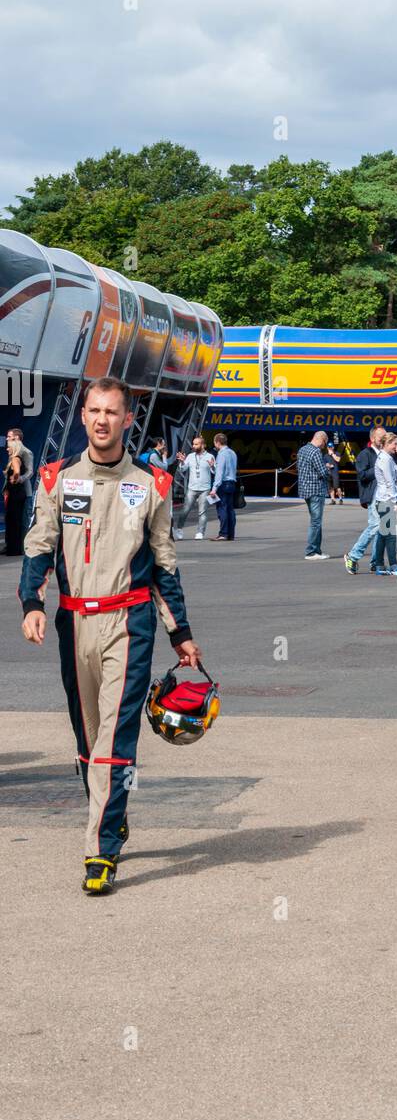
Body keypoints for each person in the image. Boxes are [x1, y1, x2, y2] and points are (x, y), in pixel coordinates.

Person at [19, 375, 202, 895]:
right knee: (86, 739)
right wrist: (33, 602)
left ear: (127, 419)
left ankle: (100, 850)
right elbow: (38, 546)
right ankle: (110, 815)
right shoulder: (56, 479)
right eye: (94, 410)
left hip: (130, 621)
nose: (102, 420)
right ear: (83, 416)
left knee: (116, 741)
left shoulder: (152, 485)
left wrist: (180, 633)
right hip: (73, 623)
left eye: (112, 412)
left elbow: (165, 566)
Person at [344, 426, 387, 574]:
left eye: (385, 436)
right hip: (373, 495)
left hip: (385, 496)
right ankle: (353, 555)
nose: (383, 439)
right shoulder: (365, 454)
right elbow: (361, 475)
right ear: (372, 438)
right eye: (381, 436)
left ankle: (375, 562)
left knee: (382, 529)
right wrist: (378, 467)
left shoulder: (387, 454)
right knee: (375, 525)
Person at [371, 433, 397, 577]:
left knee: (383, 533)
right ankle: (393, 565)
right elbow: (390, 481)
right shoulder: (384, 459)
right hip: (386, 499)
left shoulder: (388, 458)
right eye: (394, 444)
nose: (396, 447)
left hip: (383, 499)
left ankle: (379, 565)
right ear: (387, 443)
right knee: (390, 535)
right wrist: (394, 501)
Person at [296, 431, 330, 560]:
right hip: (316, 490)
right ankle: (311, 551)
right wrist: (327, 468)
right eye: (325, 443)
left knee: (315, 521)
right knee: (316, 522)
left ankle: (317, 550)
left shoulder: (302, 450)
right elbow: (322, 472)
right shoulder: (316, 452)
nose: (324, 446)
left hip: (305, 490)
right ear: (321, 440)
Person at [174, 436, 216, 539]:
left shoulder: (210, 456)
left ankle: (200, 532)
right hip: (192, 488)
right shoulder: (190, 456)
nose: (193, 446)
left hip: (205, 488)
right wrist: (182, 462)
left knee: (202, 512)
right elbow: (183, 469)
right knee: (185, 510)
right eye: (193, 444)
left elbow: (214, 472)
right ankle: (179, 529)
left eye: (196, 444)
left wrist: (212, 466)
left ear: (203, 445)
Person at [3, 433, 28, 556]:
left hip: (16, 493)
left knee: (13, 521)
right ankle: (14, 548)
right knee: (14, 521)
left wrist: (14, 478)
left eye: (9, 447)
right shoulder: (17, 458)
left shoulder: (15, 458)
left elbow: (17, 472)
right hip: (16, 493)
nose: (7, 449)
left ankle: (14, 549)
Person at [6, 427, 34, 530]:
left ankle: (23, 546)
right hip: (14, 494)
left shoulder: (26, 452)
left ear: (16, 438)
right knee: (13, 522)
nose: (6, 439)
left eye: (9, 436)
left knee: (23, 525)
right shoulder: (13, 453)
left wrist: (20, 479)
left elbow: (30, 472)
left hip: (25, 494)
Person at [212, 433, 238, 542]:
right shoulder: (232, 453)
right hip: (232, 483)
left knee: (222, 509)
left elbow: (220, 472)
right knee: (230, 509)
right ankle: (230, 534)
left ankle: (223, 533)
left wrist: (214, 488)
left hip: (223, 484)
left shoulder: (221, 454)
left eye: (215, 443)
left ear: (218, 442)